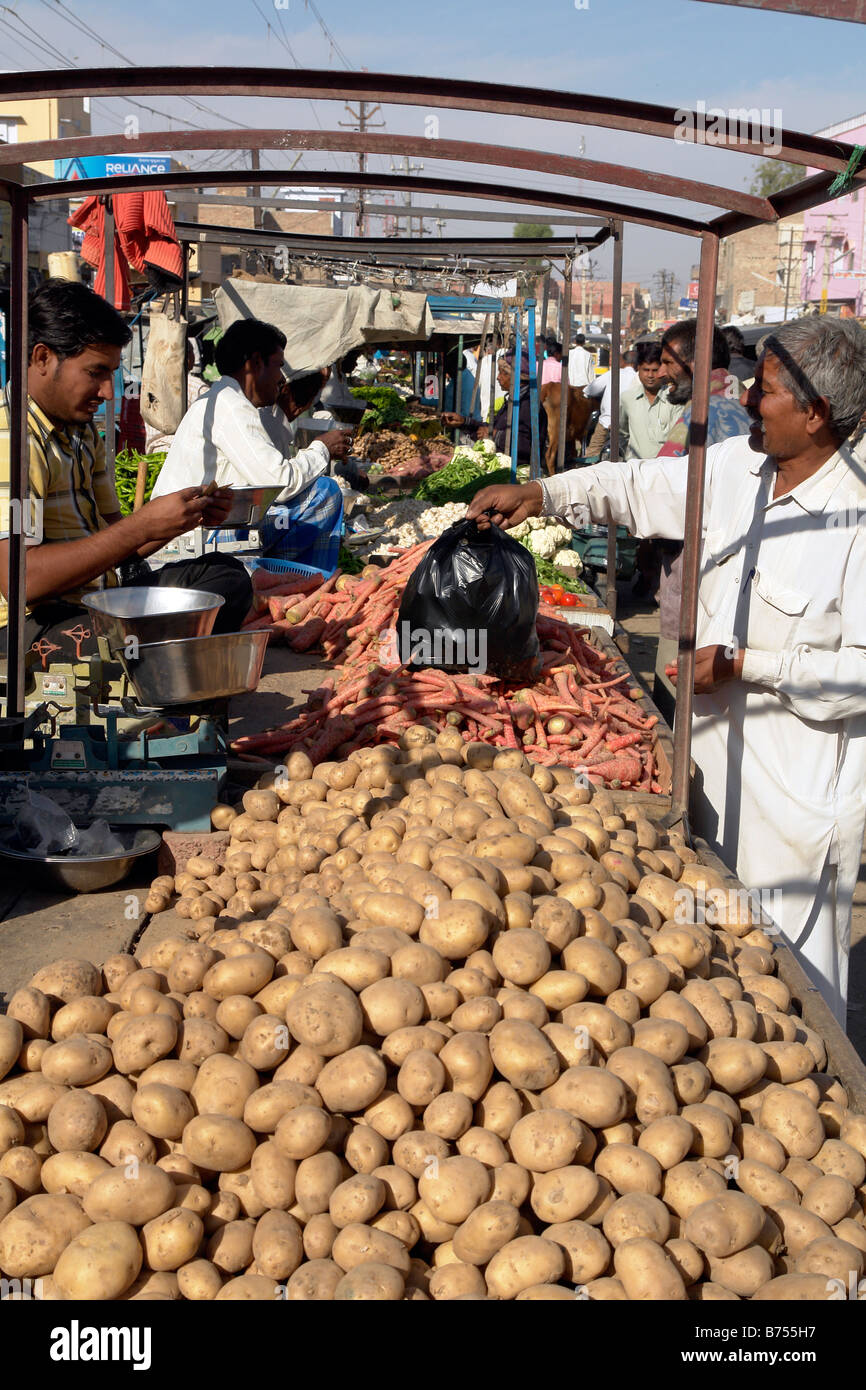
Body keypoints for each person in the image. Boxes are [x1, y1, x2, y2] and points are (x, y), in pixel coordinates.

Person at [469, 315, 866, 1025]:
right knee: (716, 972)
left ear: (816, 414)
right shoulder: (741, 468)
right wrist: (545, 495)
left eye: (764, 390)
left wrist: (749, 664)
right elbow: (640, 485)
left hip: (794, 803)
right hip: (707, 769)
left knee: (798, 991)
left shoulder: (856, 519)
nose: (744, 400)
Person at [0, 279, 250, 667]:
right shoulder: (11, 438)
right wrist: (140, 526)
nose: (107, 391)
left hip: (96, 598)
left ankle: (166, 687)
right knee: (128, 641)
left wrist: (180, 518)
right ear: (42, 358)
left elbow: (113, 543)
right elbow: (23, 581)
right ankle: (166, 693)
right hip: (30, 626)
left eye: (111, 374)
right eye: (96, 373)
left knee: (226, 581)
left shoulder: (81, 432)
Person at [152, 319, 352, 574]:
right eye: (278, 366)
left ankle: (285, 581)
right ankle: (302, 583)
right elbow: (281, 483)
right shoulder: (230, 406)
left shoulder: (225, 400)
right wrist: (321, 447)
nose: (281, 379)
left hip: (203, 529)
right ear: (256, 363)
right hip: (192, 539)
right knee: (325, 494)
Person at [650, 320, 752, 722]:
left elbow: (661, 488)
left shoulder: (702, 410)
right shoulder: (741, 403)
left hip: (695, 570)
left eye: (666, 362)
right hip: (732, 573)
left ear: (692, 360)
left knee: (675, 687)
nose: (660, 373)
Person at [442, 351, 547, 469]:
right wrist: (463, 422)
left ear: (517, 378)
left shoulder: (528, 405)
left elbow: (530, 446)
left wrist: (495, 435)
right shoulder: (512, 401)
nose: (498, 377)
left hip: (517, 474)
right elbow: (489, 429)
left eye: (503, 373)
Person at [144, 337, 209, 456]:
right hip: (182, 455)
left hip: (154, 454)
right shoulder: (196, 386)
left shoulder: (150, 384)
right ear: (188, 356)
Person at [619, 340, 684, 460]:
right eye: (645, 370)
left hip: (665, 469)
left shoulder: (674, 398)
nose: (650, 376)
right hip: (635, 470)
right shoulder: (627, 398)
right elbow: (622, 431)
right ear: (638, 369)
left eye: (655, 370)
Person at [584, 350, 637, 459]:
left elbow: (589, 390)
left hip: (606, 422)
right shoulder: (639, 378)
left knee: (592, 453)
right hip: (631, 427)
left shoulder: (613, 374)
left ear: (623, 361)